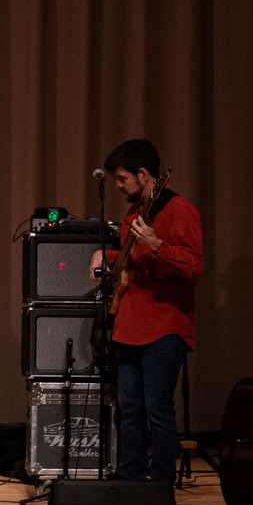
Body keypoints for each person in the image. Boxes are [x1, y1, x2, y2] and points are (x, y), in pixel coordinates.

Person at [89, 138, 203, 483]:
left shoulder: (178, 209)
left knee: (157, 412)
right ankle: (130, 480)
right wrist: (104, 257)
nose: (119, 186)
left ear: (144, 174)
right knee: (129, 411)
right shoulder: (133, 216)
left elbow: (193, 265)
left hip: (164, 327)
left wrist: (157, 245)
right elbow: (131, 263)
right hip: (130, 325)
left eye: (123, 179)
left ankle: (162, 485)